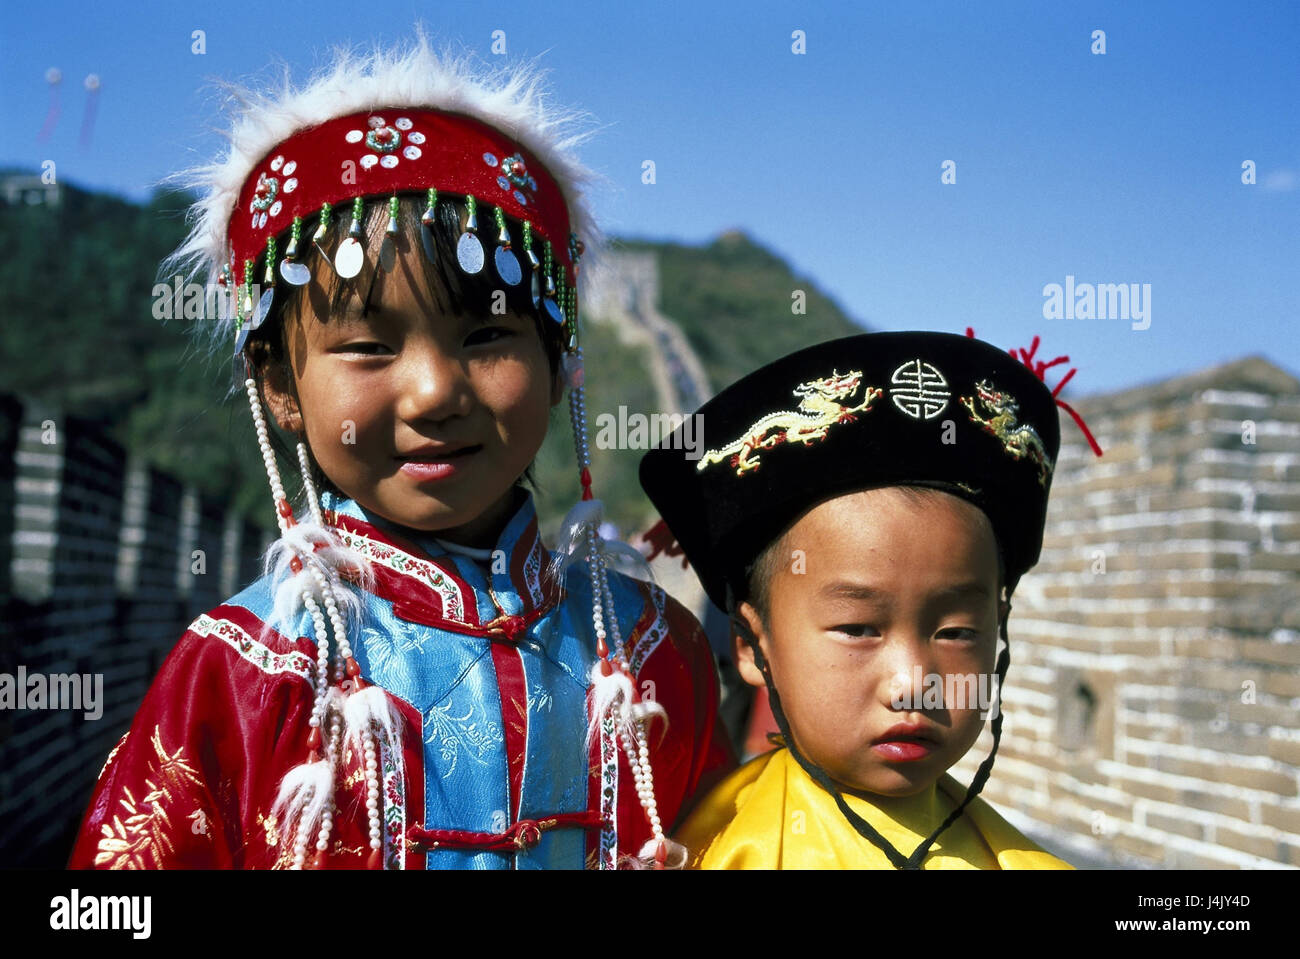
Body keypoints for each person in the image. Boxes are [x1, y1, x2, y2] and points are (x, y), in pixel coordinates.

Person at [70, 34, 734, 871]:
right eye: (369, 347)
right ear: (279, 385)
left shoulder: (651, 656)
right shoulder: (239, 671)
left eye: (487, 335)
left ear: (559, 361)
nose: (433, 392)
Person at [639, 330, 1103, 868]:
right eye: (858, 628)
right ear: (751, 645)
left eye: (957, 631)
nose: (913, 684)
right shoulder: (717, 853)